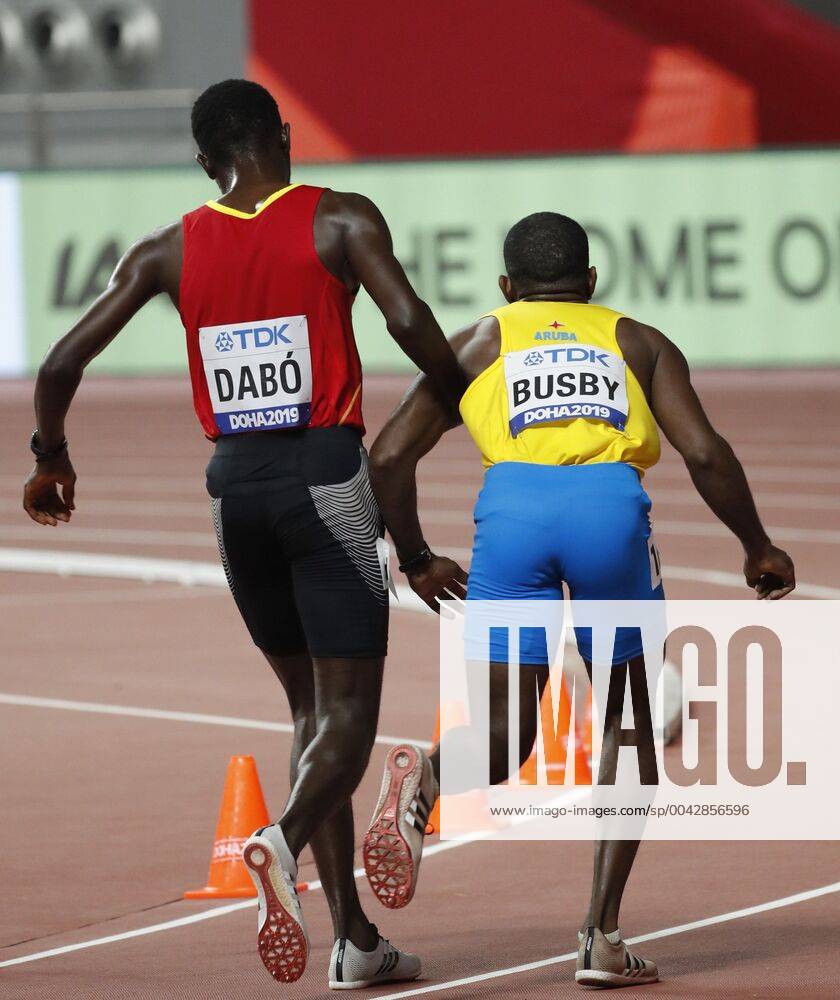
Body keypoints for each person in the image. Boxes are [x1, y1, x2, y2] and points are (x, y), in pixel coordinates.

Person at [22, 79, 465, 989]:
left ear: (203, 159)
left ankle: (354, 942)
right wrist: (459, 389)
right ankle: (281, 843)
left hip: (233, 491)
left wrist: (51, 456)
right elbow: (409, 319)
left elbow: (62, 359)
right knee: (348, 716)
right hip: (325, 476)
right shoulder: (339, 219)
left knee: (307, 714)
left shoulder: (168, 248)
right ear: (285, 138)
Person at [361, 212, 796, 989]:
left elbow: (389, 453)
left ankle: (427, 774)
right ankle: (600, 936)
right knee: (629, 726)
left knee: (505, 733)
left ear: (506, 287)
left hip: (511, 520)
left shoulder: (482, 341)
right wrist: (756, 544)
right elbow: (704, 452)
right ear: (591, 283)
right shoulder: (638, 341)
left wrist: (417, 557)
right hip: (609, 521)